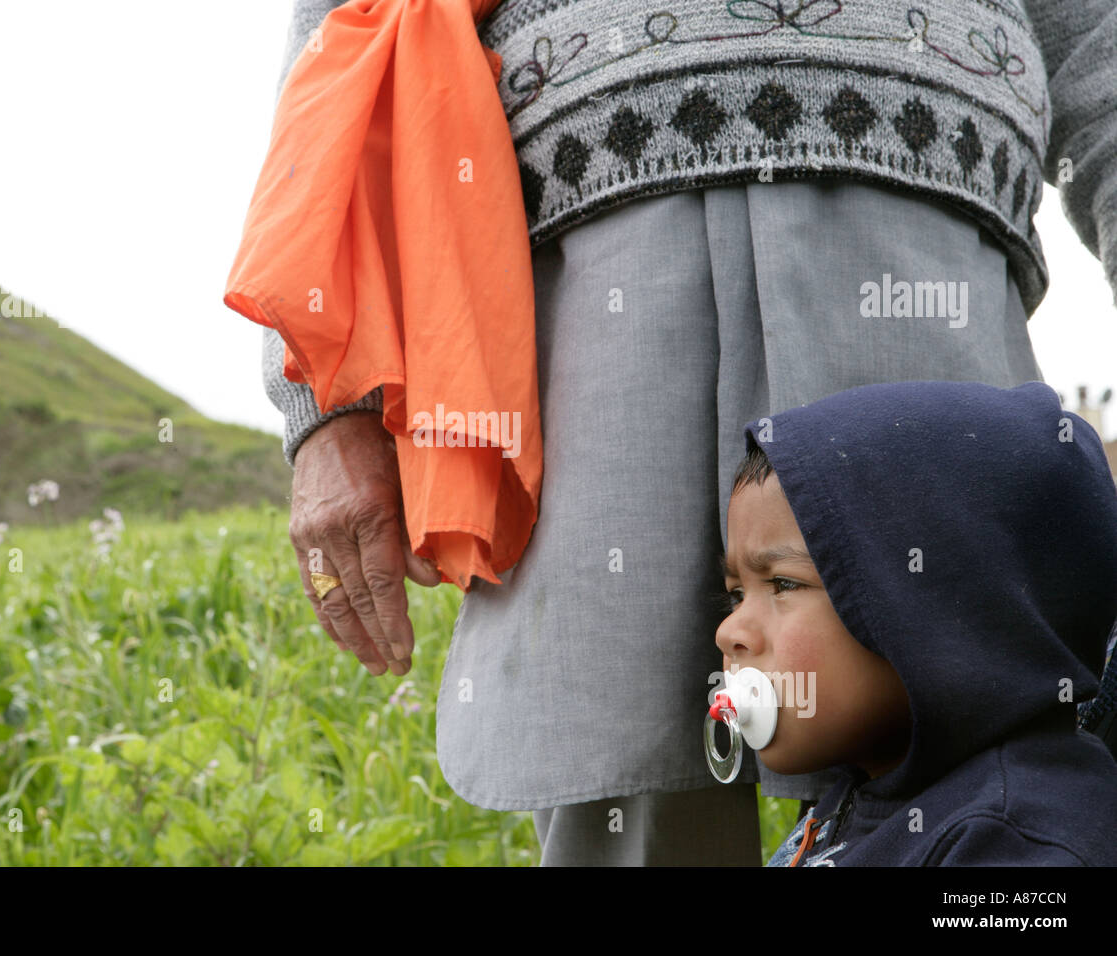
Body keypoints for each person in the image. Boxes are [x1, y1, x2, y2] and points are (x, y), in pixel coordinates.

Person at [260, 0, 1117, 864]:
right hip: (586, 294)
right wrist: (327, 405)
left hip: (935, 252)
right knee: (628, 801)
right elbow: (342, 53)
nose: (730, 631)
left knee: (987, 773)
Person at [715, 379, 1117, 866]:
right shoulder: (862, 793)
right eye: (736, 594)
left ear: (941, 611)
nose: (729, 631)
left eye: (782, 584)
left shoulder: (1016, 838)